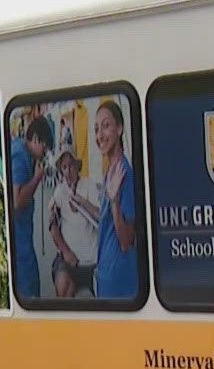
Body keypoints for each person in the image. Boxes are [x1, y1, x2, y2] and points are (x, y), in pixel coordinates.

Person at [91, 99, 139, 300]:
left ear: (119, 129)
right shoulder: (111, 171)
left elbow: (127, 240)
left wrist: (114, 200)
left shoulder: (124, 174)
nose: (99, 135)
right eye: (96, 129)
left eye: (106, 126)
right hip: (107, 276)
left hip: (119, 282)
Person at [46, 149, 102, 297]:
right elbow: (52, 225)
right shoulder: (60, 192)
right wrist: (66, 252)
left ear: (77, 166)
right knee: (63, 287)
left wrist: (81, 201)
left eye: (71, 166)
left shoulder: (89, 186)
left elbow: (100, 216)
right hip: (69, 260)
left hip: (92, 260)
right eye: (64, 167)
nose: (68, 171)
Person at [9, 115, 54, 299]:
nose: (44, 153)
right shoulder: (19, 155)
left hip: (25, 239)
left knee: (33, 285)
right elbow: (17, 200)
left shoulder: (26, 156)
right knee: (28, 292)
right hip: (19, 243)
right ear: (35, 139)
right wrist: (37, 178)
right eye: (44, 147)